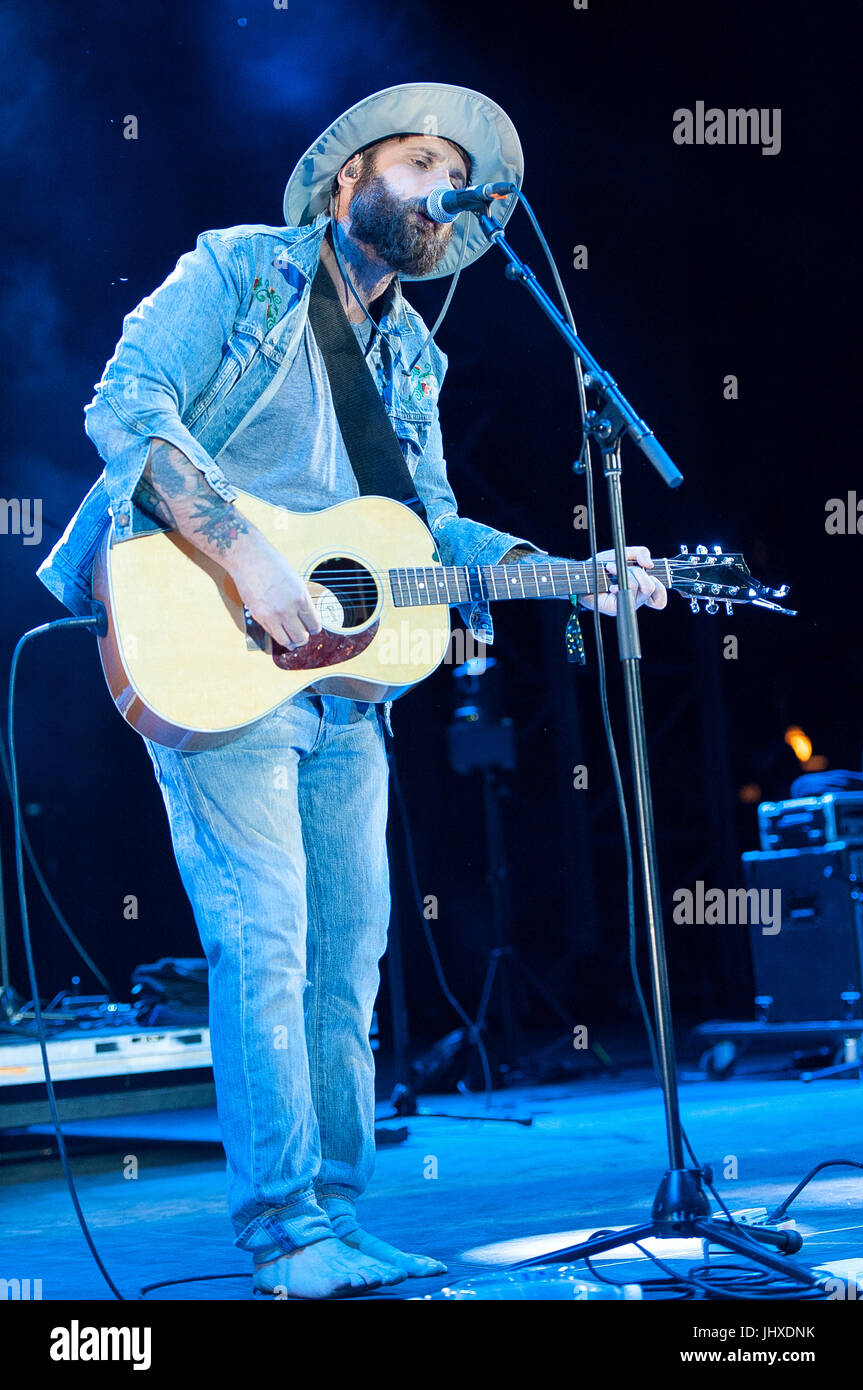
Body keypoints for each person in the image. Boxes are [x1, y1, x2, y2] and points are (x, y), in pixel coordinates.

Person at [37, 82, 667, 1299]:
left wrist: (571, 572)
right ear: (347, 182)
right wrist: (248, 556)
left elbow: (424, 530)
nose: (445, 185)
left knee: (349, 956)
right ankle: (280, 1234)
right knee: (264, 938)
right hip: (206, 637)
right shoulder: (239, 270)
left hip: (343, 684)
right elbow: (124, 400)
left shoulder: (410, 356)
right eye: (422, 159)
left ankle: (332, 1212)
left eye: (455, 174)